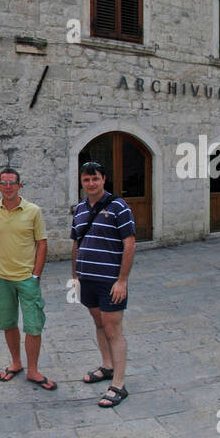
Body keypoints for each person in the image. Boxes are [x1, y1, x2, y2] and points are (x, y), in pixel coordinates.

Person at [0, 166, 54, 391]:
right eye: (4, 183)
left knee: (33, 325)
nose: (8, 187)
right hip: (1, 277)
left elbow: (42, 243)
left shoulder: (33, 211)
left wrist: (36, 274)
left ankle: (33, 370)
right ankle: (16, 363)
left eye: (12, 183)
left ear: (20, 186)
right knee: (8, 323)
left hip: (27, 277)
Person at [71, 159, 136, 409]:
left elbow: (129, 243)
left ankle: (118, 385)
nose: (90, 183)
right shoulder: (79, 209)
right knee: (99, 324)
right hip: (87, 278)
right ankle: (107, 366)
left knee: (113, 329)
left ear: (104, 180)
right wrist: (75, 276)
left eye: (95, 178)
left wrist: (122, 281)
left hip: (110, 281)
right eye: (86, 179)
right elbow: (76, 242)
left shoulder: (119, 207)